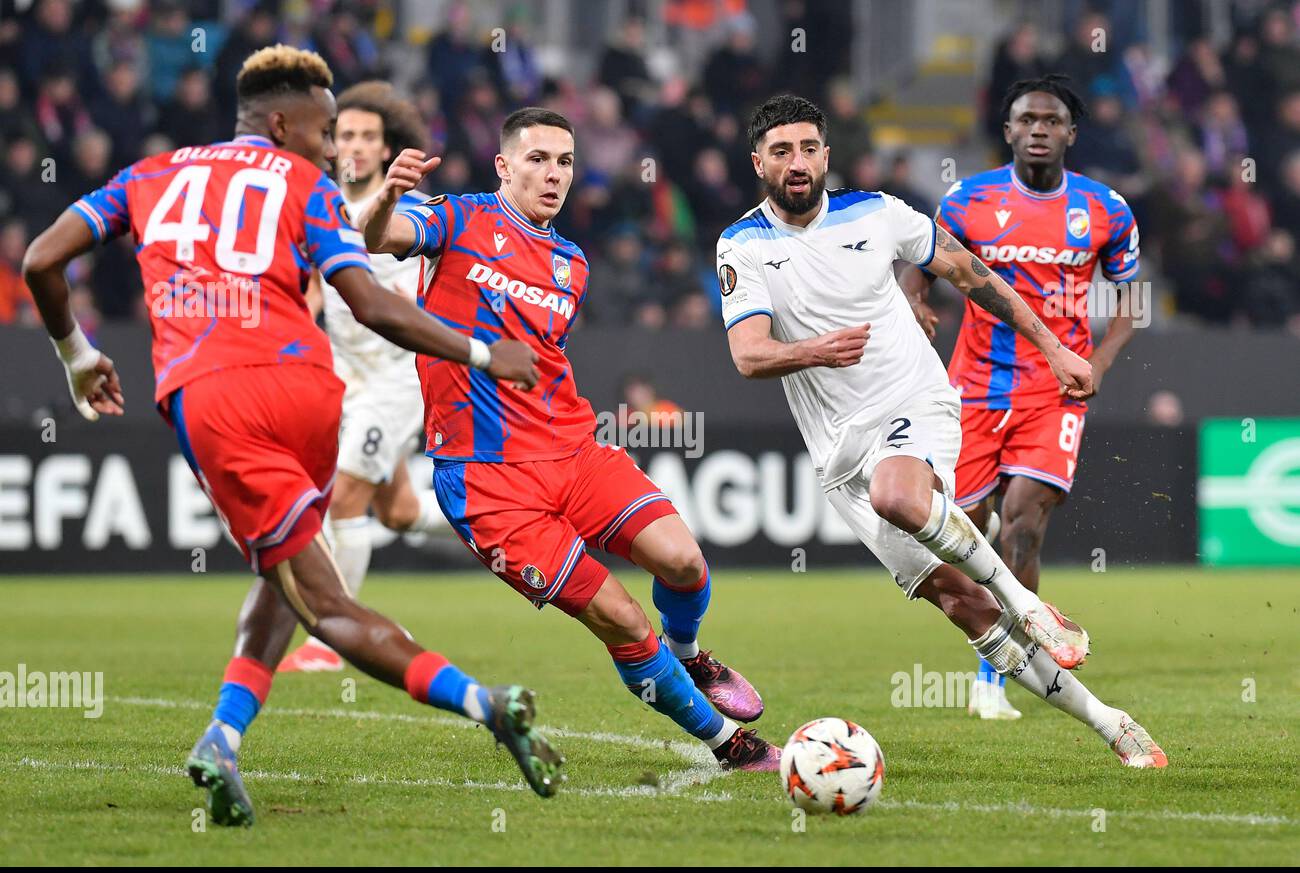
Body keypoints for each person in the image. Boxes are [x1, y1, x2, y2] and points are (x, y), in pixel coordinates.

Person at [22, 46, 563, 826]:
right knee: (285, 577)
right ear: (280, 123)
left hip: (215, 399)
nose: (330, 146)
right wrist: (481, 351)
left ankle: (486, 702)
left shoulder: (148, 174)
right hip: (311, 393)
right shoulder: (304, 184)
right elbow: (371, 302)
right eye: (323, 129)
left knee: (324, 602)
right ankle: (223, 735)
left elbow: (42, 260)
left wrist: (77, 359)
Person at [717, 93, 1166, 768]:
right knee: (963, 607)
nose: (798, 161)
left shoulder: (879, 212)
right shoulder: (741, 245)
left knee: (903, 495)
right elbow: (750, 355)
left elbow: (974, 274)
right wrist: (817, 349)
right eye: (782, 151)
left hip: (915, 401)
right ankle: (1109, 722)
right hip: (839, 455)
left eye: (809, 147)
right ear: (759, 164)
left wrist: (1052, 345)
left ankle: (1028, 603)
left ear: (827, 155)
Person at [358, 107, 779, 771]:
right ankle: (730, 745)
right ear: (504, 165)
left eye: (564, 162)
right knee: (621, 619)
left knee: (685, 562)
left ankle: (691, 656)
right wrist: (385, 194)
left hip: (574, 451)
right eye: (537, 159)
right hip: (488, 479)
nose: (553, 175)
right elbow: (381, 237)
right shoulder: (457, 219)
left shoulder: (572, 264)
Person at [903, 75, 1143, 720]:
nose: (1038, 128)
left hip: (1054, 391)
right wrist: (917, 302)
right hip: (974, 391)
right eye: (1026, 119)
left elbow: (1131, 301)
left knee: (1023, 522)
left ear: (1070, 132)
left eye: (1051, 119)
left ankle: (994, 677)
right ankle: (994, 646)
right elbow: (917, 265)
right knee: (966, 529)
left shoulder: (1106, 210)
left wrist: (1097, 362)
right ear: (1008, 130)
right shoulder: (967, 199)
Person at [278, 80, 451, 674]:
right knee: (400, 512)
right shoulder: (319, 206)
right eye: (342, 133)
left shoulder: (412, 212)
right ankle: (494, 525)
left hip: (401, 379)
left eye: (365, 136)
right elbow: (311, 293)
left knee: (343, 496)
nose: (351, 144)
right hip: (347, 379)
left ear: (386, 148)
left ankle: (333, 639)